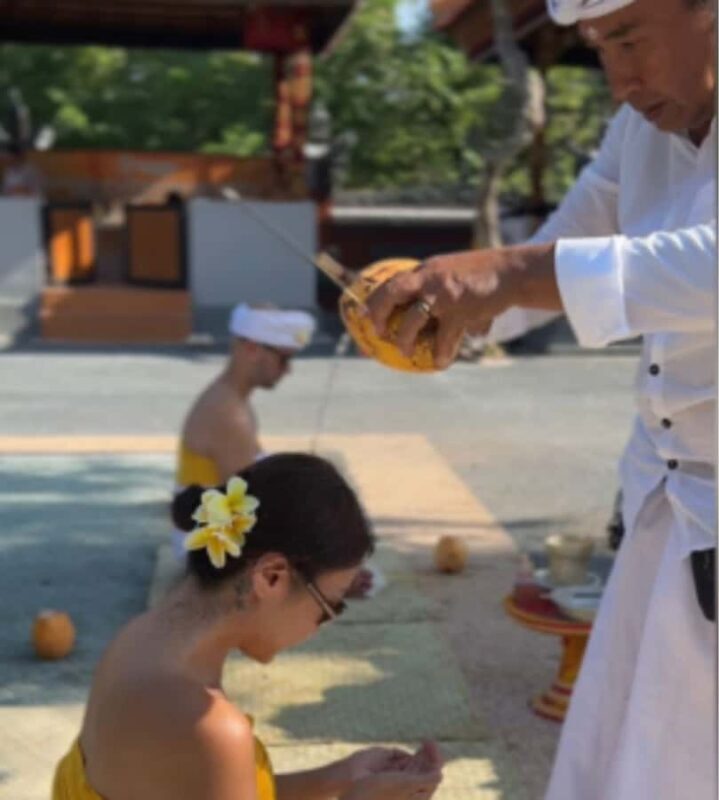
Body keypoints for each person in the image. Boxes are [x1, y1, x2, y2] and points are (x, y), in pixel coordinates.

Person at [365, 0, 716, 798]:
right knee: (626, 760)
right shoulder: (640, 129)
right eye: (597, 47)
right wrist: (448, 316)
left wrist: (507, 277)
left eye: (628, 37)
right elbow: (562, 243)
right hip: (667, 501)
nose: (618, 80)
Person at [53, 453, 444, 800]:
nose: (320, 627)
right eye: (329, 607)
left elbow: (200, 786)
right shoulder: (210, 727)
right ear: (271, 576)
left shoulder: (140, 638)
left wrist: (339, 778)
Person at [176, 304, 316, 492]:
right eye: (283, 359)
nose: (288, 370)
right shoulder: (230, 415)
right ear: (252, 349)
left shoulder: (227, 398)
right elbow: (249, 502)